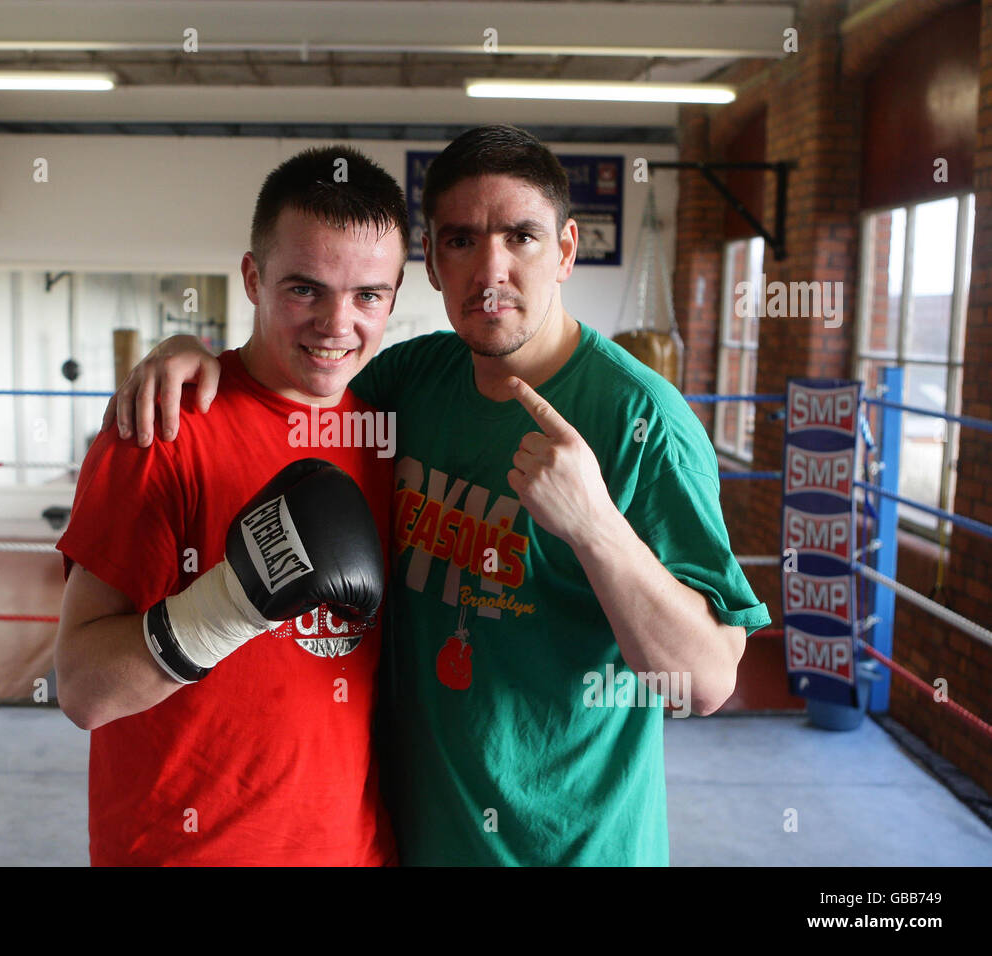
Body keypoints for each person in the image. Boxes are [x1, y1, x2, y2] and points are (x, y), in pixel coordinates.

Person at [106, 125, 772, 866]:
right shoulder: (409, 382)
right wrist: (186, 355)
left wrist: (596, 528)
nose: (491, 269)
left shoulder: (643, 421)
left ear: (566, 250)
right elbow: (301, 374)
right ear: (430, 262)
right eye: (461, 239)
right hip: (409, 840)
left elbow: (706, 681)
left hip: (570, 850)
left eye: (521, 236)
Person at [55, 144, 408, 865]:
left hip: (353, 851)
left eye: (368, 295)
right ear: (253, 277)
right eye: (304, 289)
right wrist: (231, 606)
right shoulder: (164, 428)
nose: (338, 325)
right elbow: (84, 690)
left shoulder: (396, 436)